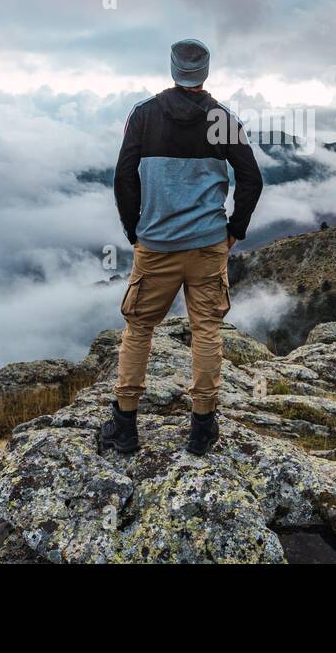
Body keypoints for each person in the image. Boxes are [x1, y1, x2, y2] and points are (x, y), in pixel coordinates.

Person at [97, 39, 263, 456]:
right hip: (208, 245)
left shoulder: (144, 115)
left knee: (138, 329)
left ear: (173, 69)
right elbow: (251, 179)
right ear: (205, 73)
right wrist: (234, 231)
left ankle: (125, 425)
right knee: (206, 330)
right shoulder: (223, 120)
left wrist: (134, 230)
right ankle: (202, 428)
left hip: (157, 245)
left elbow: (124, 177)